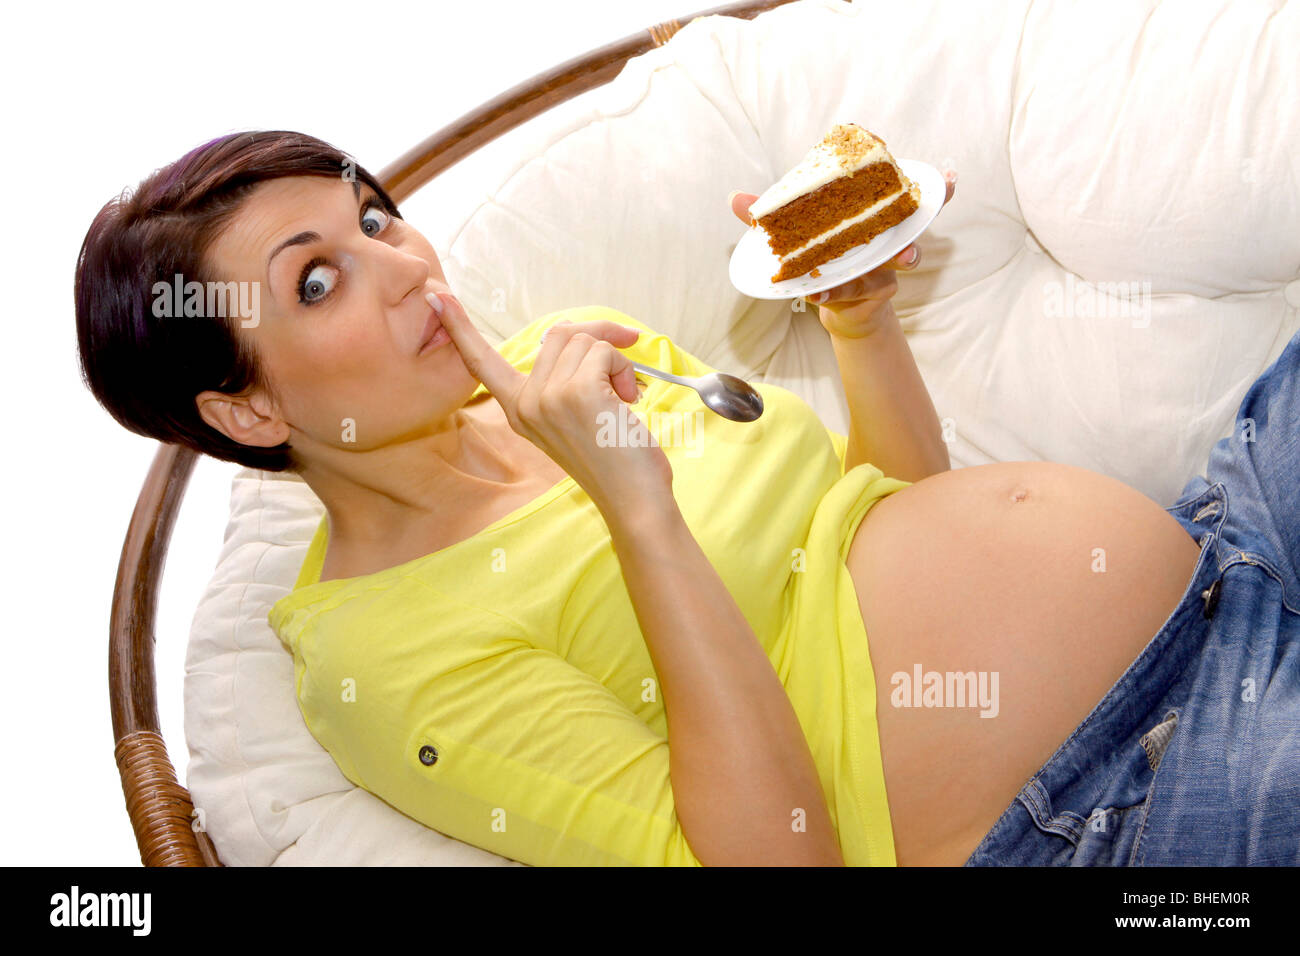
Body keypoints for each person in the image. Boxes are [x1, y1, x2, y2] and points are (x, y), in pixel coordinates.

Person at [75, 131, 1299, 866]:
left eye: (378, 217)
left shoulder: (564, 350)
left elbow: (886, 516)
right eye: (321, 280)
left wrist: (857, 321)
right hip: (1138, 788)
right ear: (247, 410)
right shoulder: (385, 662)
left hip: (1225, 549)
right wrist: (631, 503)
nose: (409, 270)